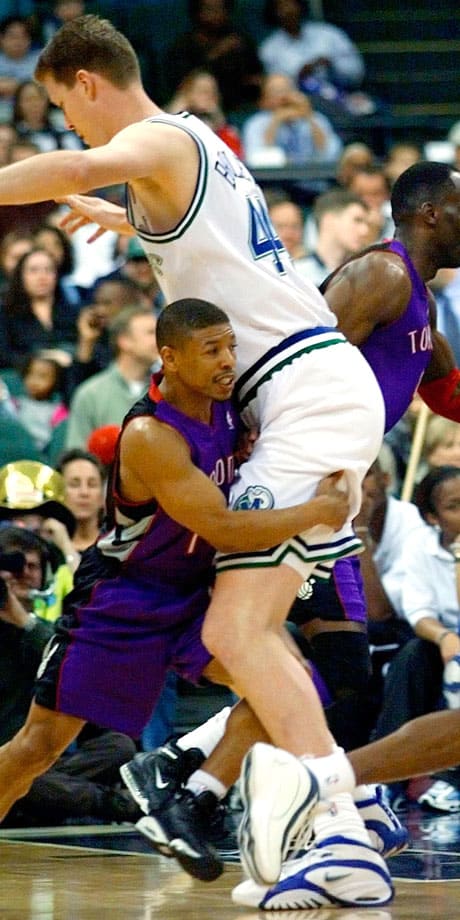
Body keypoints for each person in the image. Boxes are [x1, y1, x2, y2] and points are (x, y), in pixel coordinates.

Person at [0, 14, 393, 903]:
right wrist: (126, 216)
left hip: (302, 391)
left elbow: (70, 166)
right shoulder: (189, 152)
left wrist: (72, 179)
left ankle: (337, 825)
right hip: (315, 389)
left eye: (68, 111)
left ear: (87, 83)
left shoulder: (154, 137)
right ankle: (225, 792)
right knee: (249, 638)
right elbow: (213, 253)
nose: (74, 131)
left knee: (234, 632)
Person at [122, 159, 460, 903]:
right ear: (431, 212)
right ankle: (275, 801)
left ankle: (201, 781)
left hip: (334, 486)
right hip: (303, 475)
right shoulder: (379, 275)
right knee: (296, 659)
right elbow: (296, 368)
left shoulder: (425, 315)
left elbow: (449, 393)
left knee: (327, 675)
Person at [0, 297, 351, 879]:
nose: (228, 361)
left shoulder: (232, 405)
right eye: (211, 350)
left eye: (231, 346)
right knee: (38, 748)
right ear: (170, 357)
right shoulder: (150, 434)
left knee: (292, 682)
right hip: (122, 599)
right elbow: (223, 527)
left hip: (196, 594)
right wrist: (318, 509)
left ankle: (190, 788)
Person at [65, 305, 160, 449]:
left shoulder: (167, 391)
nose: (159, 340)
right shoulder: (91, 394)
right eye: (150, 333)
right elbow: (77, 456)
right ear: (125, 341)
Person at [0, 246, 80, 369]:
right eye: (33, 270)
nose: (42, 276)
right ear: (21, 275)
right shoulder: (6, 313)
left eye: (48, 270)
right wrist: (47, 357)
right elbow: (5, 356)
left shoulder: (74, 312)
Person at [293, 187, 371, 287]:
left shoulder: (365, 274)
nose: (365, 231)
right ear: (328, 220)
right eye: (357, 220)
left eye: (366, 223)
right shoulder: (297, 274)